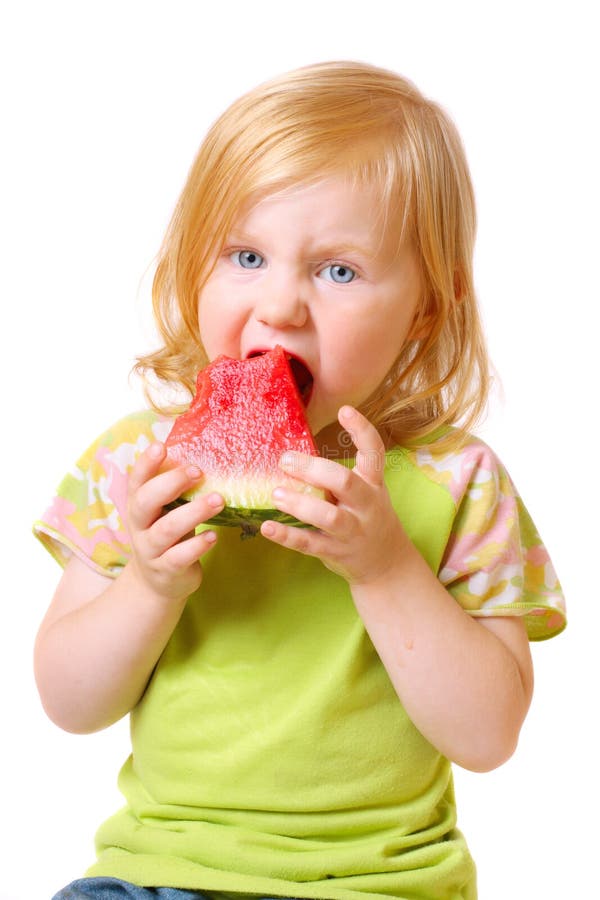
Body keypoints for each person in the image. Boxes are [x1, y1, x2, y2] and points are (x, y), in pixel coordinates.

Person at [33, 61, 566, 900]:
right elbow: (68, 703)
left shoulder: (457, 479)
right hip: (156, 875)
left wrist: (386, 567)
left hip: (375, 886)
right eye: (246, 255)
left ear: (425, 309)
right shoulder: (132, 464)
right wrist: (146, 582)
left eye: (338, 271)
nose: (280, 305)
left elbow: (489, 733)